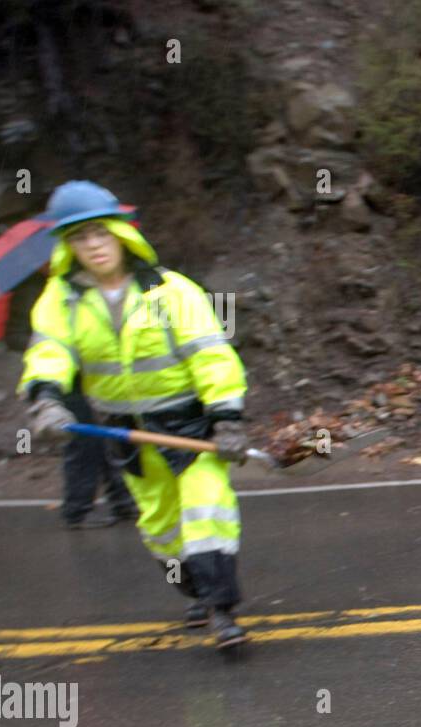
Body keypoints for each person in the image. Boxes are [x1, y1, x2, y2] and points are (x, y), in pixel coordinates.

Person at [17, 181, 251, 648]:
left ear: (121, 235)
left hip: (188, 425)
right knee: (161, 531)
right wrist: (46, 399)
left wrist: (226, 416)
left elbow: (211, 356)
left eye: (101, 234)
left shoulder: (171, 291)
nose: (94, 245)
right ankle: (195, 592)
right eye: (81, 238)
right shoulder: (62, 301)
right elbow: (50, 352)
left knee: (207, 511)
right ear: (69, 246)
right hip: (126, 435)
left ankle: (222, 610)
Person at [60, 385, 138, 529]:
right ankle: (78, 511)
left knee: (106, 438)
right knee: (84, 443)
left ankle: (123, 501)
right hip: (69, 382)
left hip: (93, 382)